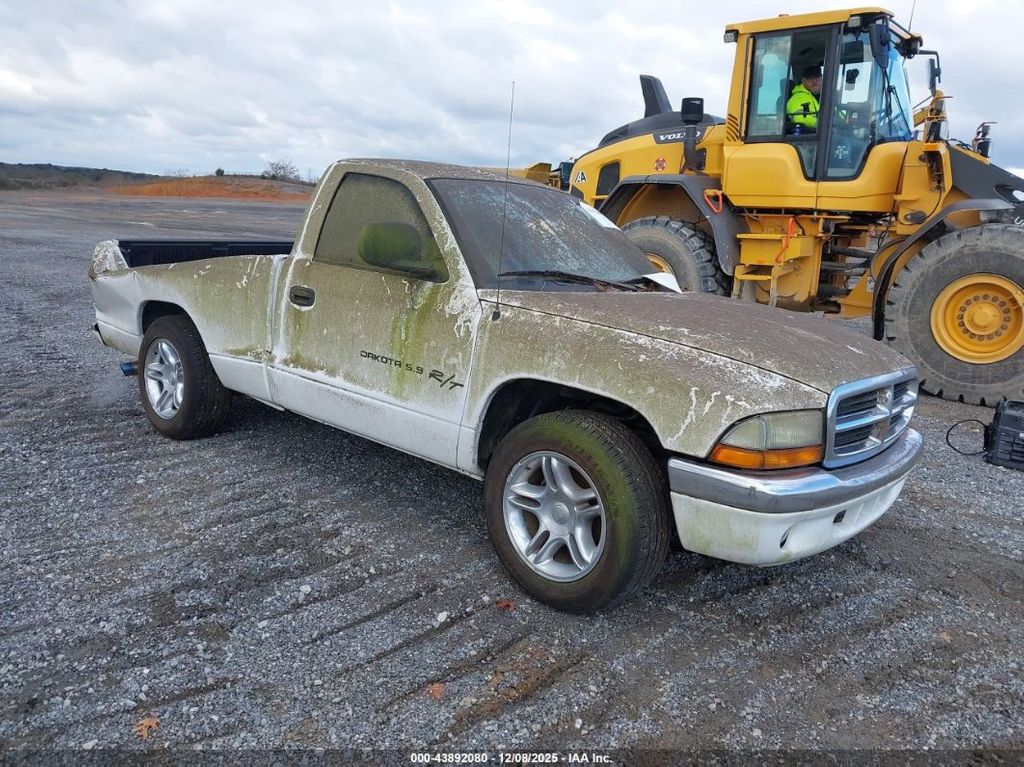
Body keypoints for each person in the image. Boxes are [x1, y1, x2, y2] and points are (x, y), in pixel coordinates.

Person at [787, 65, 822, 132]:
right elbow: (801, 118)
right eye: (810, 78)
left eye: (817, 78)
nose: (814, 81)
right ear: (803, 81)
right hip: (808, 137)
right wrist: (823, 125)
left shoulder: (823, 96)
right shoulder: (798, 98)